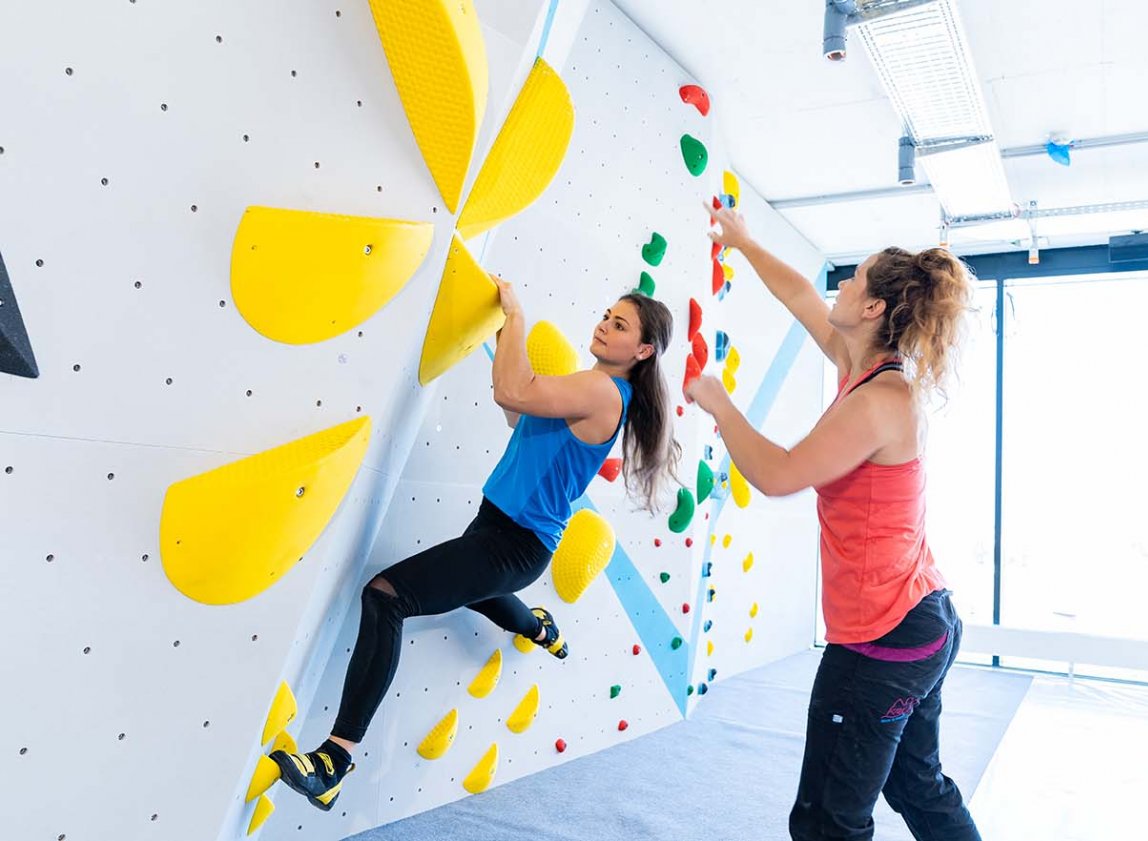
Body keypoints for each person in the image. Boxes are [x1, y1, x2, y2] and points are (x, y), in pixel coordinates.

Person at [271, 278, 680, 811]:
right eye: (607, 315)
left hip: (518, 543)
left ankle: (334, 761)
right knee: (474, 590)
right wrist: (510, 345)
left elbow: (512, 392)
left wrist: (514, 315)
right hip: (497, 524)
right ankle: (538, 626)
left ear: (643, 350)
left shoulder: (603, 392)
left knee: (387, 596)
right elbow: (516, 409)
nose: (604, 325)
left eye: (620, 325)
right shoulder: (588, 384)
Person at [686, 201, 982, 841]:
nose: (840, 286)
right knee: (915, 786)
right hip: (907, 624)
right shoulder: (861, 366)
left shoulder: (879, 400)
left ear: (873, 307)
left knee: (827, 820)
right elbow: (798, 293)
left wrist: (718, 403)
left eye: (853, 279)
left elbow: (780, 474)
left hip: (891, 637)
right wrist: (742, 241)